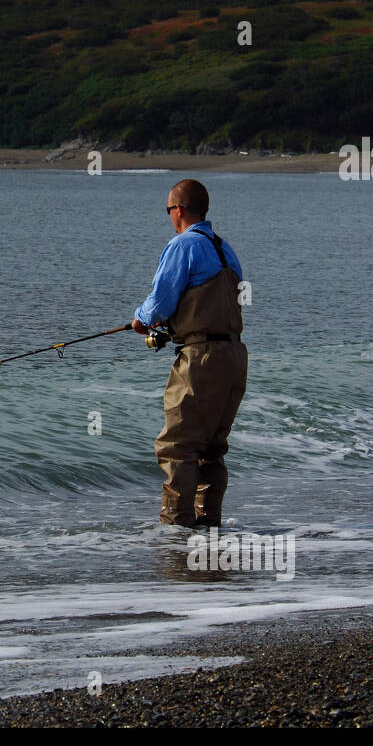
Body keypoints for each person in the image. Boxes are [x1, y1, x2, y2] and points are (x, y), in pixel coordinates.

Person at [132, 179, 247, 528]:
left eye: (169, 210)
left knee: (177, 447)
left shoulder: (182, 245)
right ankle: (209, 528)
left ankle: (176, 533)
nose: (169, 216)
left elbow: (160, 302)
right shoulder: (226, 249)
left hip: (200, 359)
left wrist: (140, 320)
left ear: (178, 210)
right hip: (235, 356)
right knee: (212, 449)